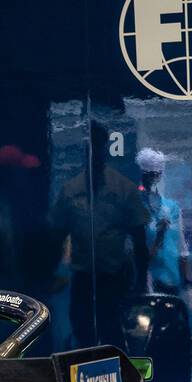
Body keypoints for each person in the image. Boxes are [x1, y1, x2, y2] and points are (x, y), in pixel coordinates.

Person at [49, 124, 151, 349]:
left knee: (115, 335)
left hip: (115, 278)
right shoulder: (71, 189)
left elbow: (139, 239)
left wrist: (141, 281)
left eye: (97, 145)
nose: (93, 151)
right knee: (83, 334)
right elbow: (57, 234)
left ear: (104, 148)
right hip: (83, 278)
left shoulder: (123, 189)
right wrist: (51, 274)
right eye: (89, 146)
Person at [136, 148, 188, 294]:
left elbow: (182, 248)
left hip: (173, 280)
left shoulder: (172, 207)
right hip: (149, 281)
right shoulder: (136, 207)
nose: (153, 178)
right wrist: (159, 236)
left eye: (156, 174)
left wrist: (187, 282)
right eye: (149, 174)